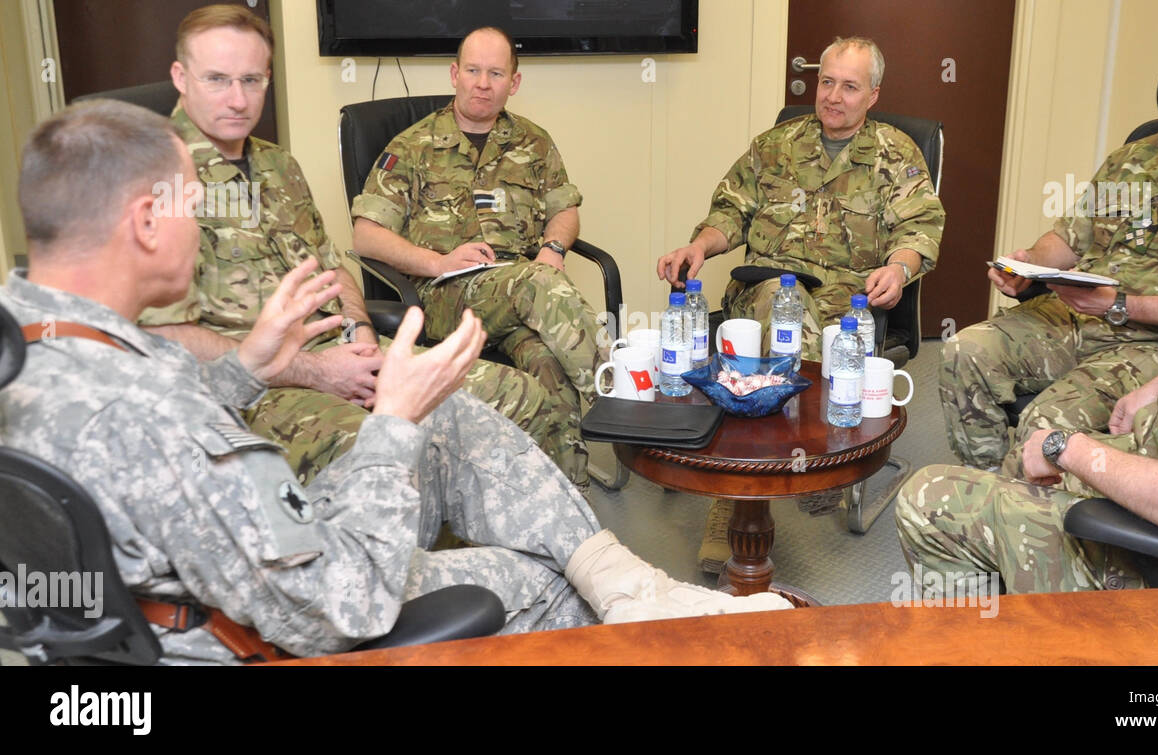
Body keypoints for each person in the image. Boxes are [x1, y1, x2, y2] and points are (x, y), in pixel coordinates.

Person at [0, 99, 792, 664]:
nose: (202, 215)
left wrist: (250, 369)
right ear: (145, 220)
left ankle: (633, 582)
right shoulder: (143, 412)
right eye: (191, 204)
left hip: (218, 571)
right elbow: (339, 602)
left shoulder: (33, 334)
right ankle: (664, 623)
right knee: (537, 578)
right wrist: (391, 422)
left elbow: (149, 481)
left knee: (458, 420)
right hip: (260, 620)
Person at [136, 6, 587, 486]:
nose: (237, 99)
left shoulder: (277, 165)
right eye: (217, 80)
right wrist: (316, 371)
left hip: (343, 355)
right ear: (180, 77)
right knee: (407, 455)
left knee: (522, 397)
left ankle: (551, 550)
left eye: (251, 80)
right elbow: (163, 339)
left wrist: (361, 340)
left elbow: (333, 268)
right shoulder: (151, 177)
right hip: (258, 392)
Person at [895, 77, 1158, 594]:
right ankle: (1004, 542)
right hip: (1151, 423)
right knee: (978, 370)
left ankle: (1017, 610)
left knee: (931, 495)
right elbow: (1069, 237)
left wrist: (1070, 447)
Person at [655, 35, 944, 571]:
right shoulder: (775, 146)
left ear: (873, 94)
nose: (833, 96)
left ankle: (794, 469)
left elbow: (921, 227)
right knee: (777, 321)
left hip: (847, 297)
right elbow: (730, 212)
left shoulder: (896, 154)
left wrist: (899, 268)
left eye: (849, 87)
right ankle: (742, 498)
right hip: (766, 284)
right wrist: (699, 245)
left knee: (802, 336)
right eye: (826, 82)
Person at [941, 23, 1158, 475]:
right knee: (965, 350)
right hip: (1072, 317)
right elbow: (1069, 239)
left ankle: (1021, 512)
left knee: (1046, 423)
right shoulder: (1133, 157)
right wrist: (1030, 264)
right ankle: (988, 486)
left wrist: (1118, 304)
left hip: (1154, 344)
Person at [351, 26, 607, 429]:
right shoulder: (412, 146)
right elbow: (366, 235)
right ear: (455, 74)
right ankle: (624, 396)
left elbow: (565, 208)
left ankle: (565, 486)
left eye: (496, 74)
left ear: (514, 82)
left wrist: (553, 248)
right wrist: (437, 263)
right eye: (473, 71)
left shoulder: (534, 142)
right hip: (445, 296)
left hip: (519, 297)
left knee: (549, 367)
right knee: (537, 283)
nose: (483, 84)